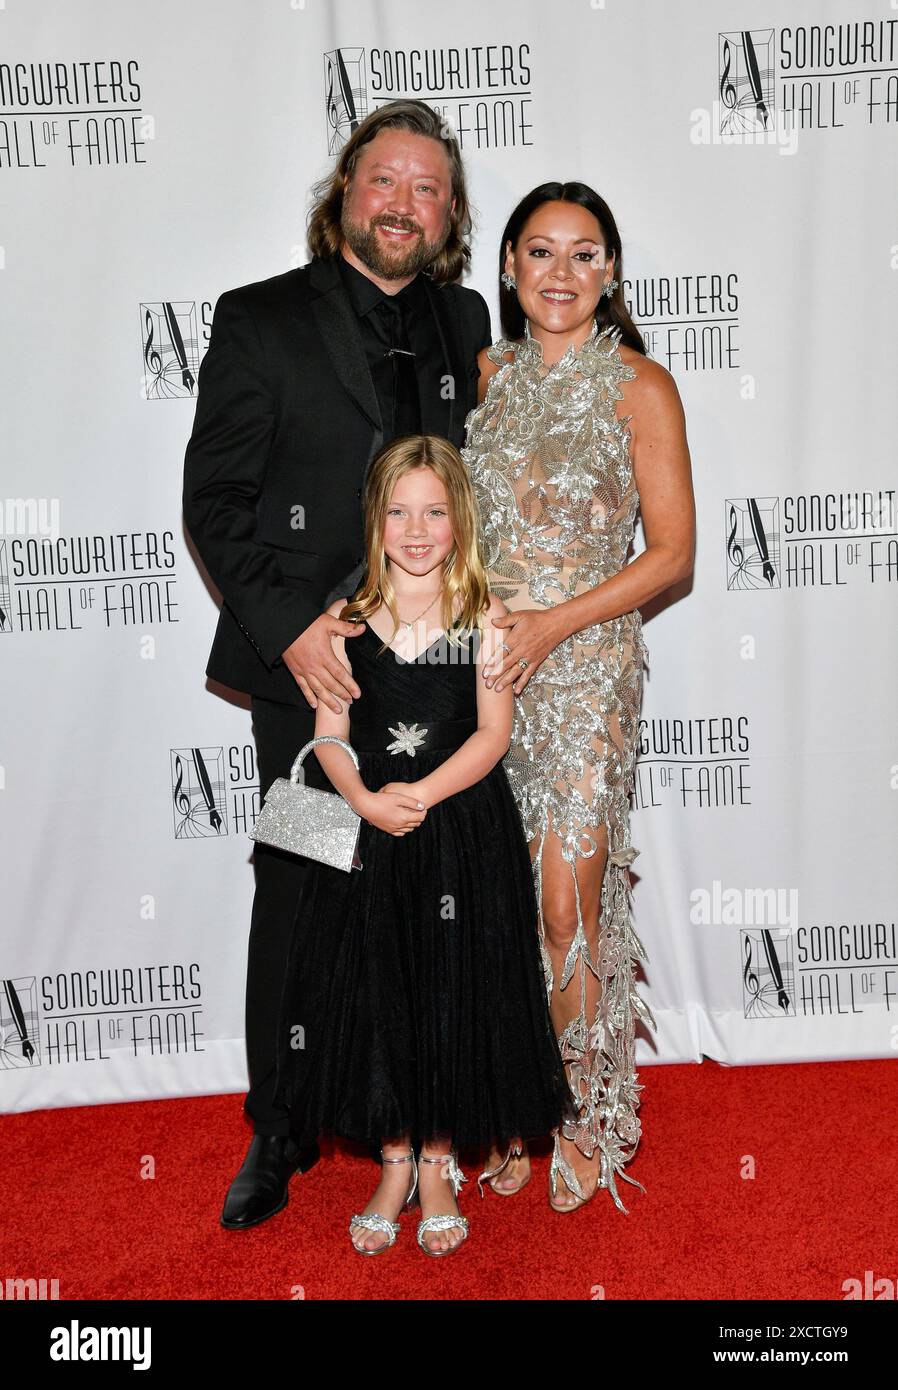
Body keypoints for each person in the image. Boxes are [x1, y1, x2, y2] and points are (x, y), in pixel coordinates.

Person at [182, 100, 492, 1230]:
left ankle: (422, 1114)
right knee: (306, 893)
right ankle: (281, 1122)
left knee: (430, 899)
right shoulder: (260, 320)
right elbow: (212, 502)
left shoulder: (465, 322)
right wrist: (297, 629)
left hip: (436, 677)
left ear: (448, 214)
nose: (402, 203)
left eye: (426, 188)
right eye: (383, 181)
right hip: (309, 677)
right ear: (343, 194)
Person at [272, 435, 574, 1256]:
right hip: (371, 842)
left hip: (460, 836)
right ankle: (396, 1162)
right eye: (399, 511)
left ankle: (440, 1162)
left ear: (459, 520)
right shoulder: (346, 623)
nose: (416, 529)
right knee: (381, 994)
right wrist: (367, 798)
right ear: (374, 520)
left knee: (450, 992)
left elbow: (492, 735)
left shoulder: (485, 619)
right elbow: (329, 735)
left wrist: (423, 796)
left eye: (434, 512)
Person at [462, 183, 695, 1213]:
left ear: (609, 272)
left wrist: (557, 624)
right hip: (486, 671)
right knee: (504, 905)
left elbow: (674, 555)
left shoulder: (639, 384)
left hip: (589, 664)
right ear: (508, 265)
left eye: (584, 253)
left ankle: (588, 1112)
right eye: (541, 252)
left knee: (568, 899)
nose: (561, 273)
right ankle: (517, 1105)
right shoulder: (482, 375)